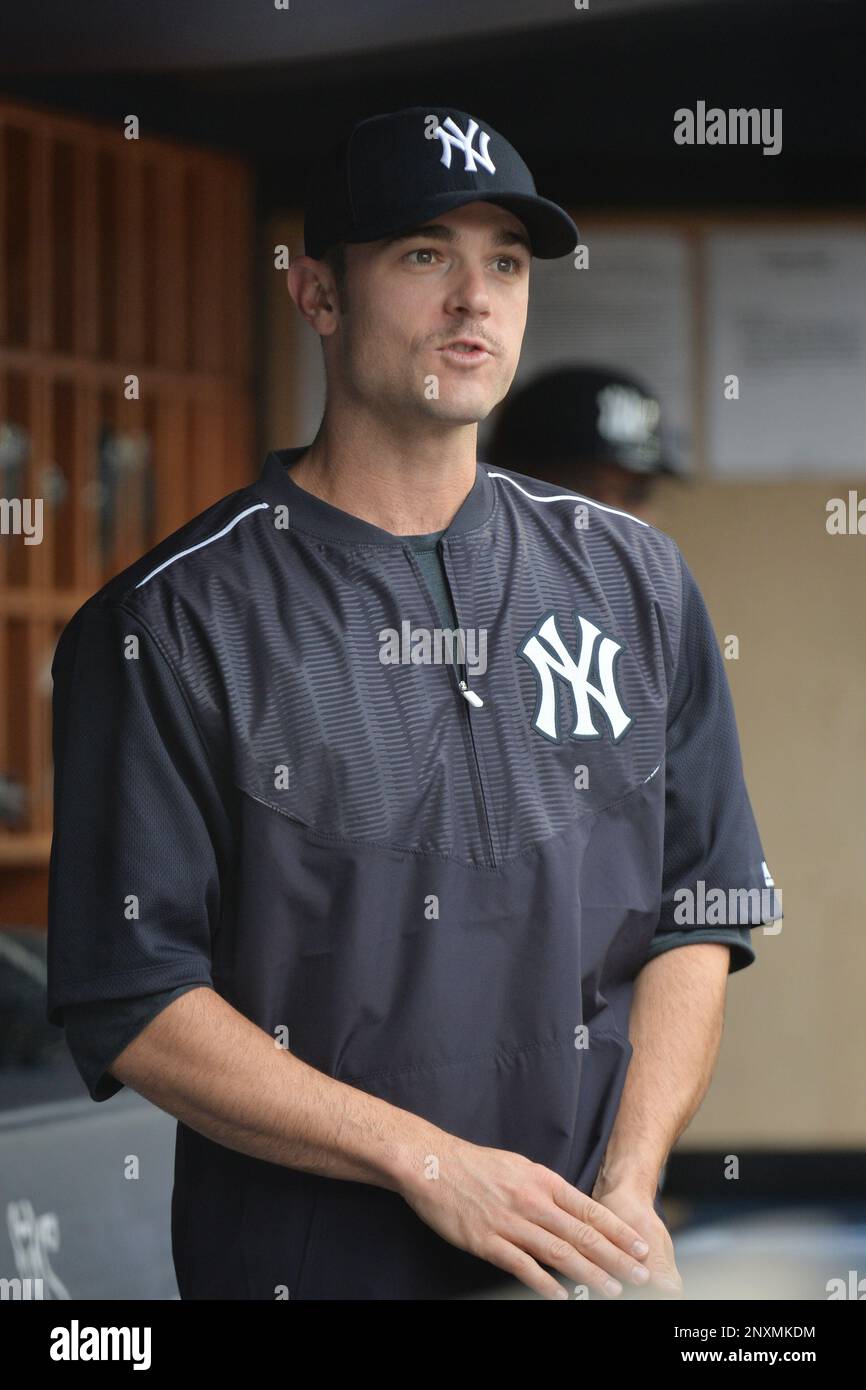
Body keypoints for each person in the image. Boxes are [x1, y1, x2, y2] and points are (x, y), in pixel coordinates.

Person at [47, 105, 781, 1302]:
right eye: (423, 255)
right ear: (317, 296)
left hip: (575, 1268)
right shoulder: (173, 620)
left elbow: (697, 911)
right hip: (306, 1272)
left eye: (503, 261)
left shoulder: (635, 578)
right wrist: (429, 1164)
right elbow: (135, 996)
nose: (472, 299)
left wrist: (629, 1191)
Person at [485, 364, 684, 523]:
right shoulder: (472, 568)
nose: (609, 516)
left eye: (635, 495)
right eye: (579, 487)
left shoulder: (653, 571)